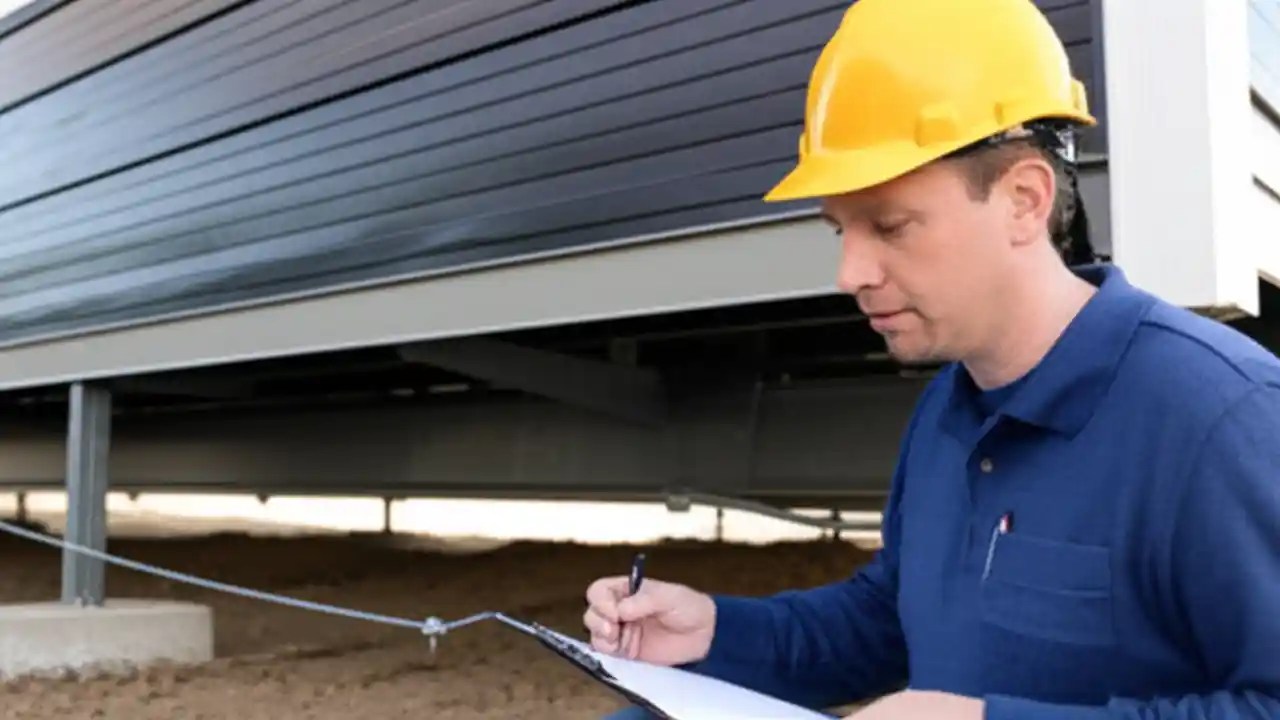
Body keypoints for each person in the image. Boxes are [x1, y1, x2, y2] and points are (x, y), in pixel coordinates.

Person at [582, 0, 1280, 718]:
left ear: (1024, 200)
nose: (850, 273)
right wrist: (717, 633)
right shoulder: (951, 406)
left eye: (891, 225)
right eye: (840, 230)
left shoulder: (1222, 419)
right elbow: (892, 621)